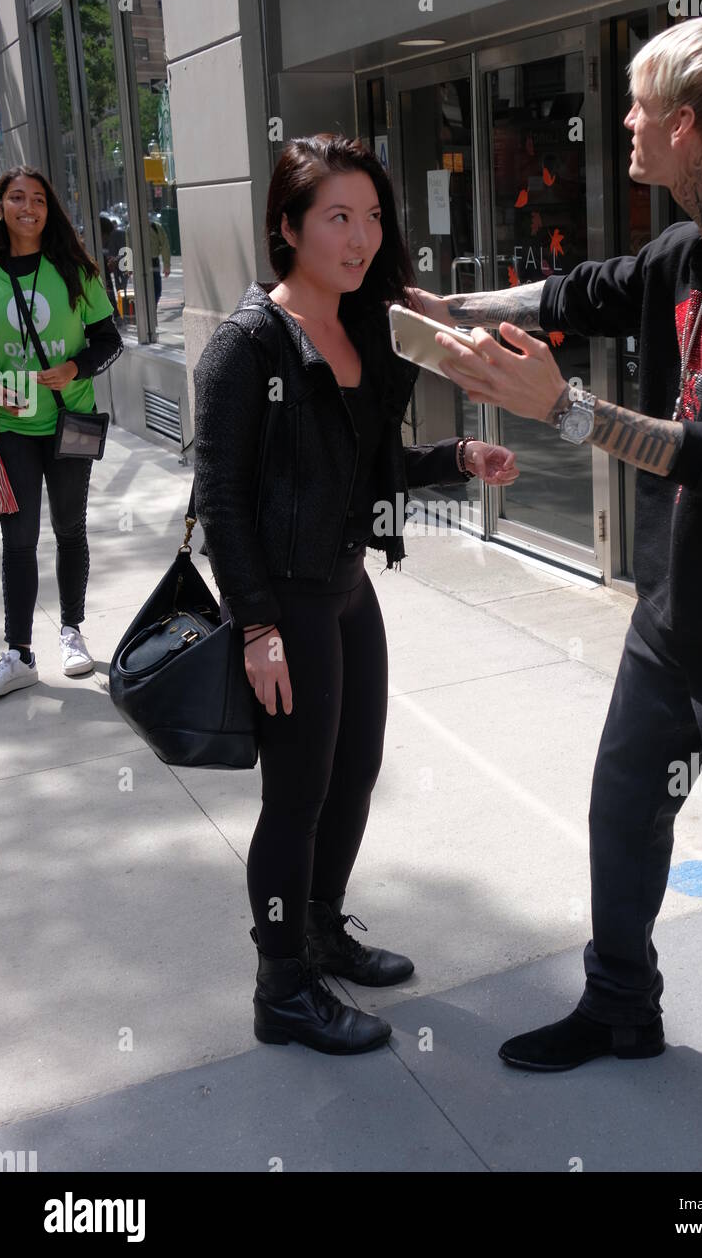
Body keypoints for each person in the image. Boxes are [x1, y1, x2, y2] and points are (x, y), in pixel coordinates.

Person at [411, 15, 702, 1172]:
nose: (617, 126)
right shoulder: (684, 250)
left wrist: (561, 413)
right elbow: (579, 291)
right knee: (623, 807)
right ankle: (621, 1002)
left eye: (631, 107)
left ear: (681, 124)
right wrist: (445, 315)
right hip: (670, 617)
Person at [192, 134, 518, 1057]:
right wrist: (257, 626)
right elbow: (222, 498)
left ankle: (320, 929)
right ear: (288, 227)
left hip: (344, 587)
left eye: (373, 216)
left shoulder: (366, 328)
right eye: (339, 216)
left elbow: (367, 472)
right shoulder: (248, 345)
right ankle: (280, 987)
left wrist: (457, 459)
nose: (361, 236)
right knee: (295, 796)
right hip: (284, 602)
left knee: (354, 772)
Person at [0, 166, 123, 697]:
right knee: (18, 540)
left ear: (50, 209)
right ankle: (19, 653)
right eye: (17, 197)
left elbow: (109, 340)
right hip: (9, 427)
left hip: (68, 420)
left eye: (39, 199)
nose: (29, 207)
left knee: (71, 529)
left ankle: (72, 632)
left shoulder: (74, 269)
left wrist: (75, 369)